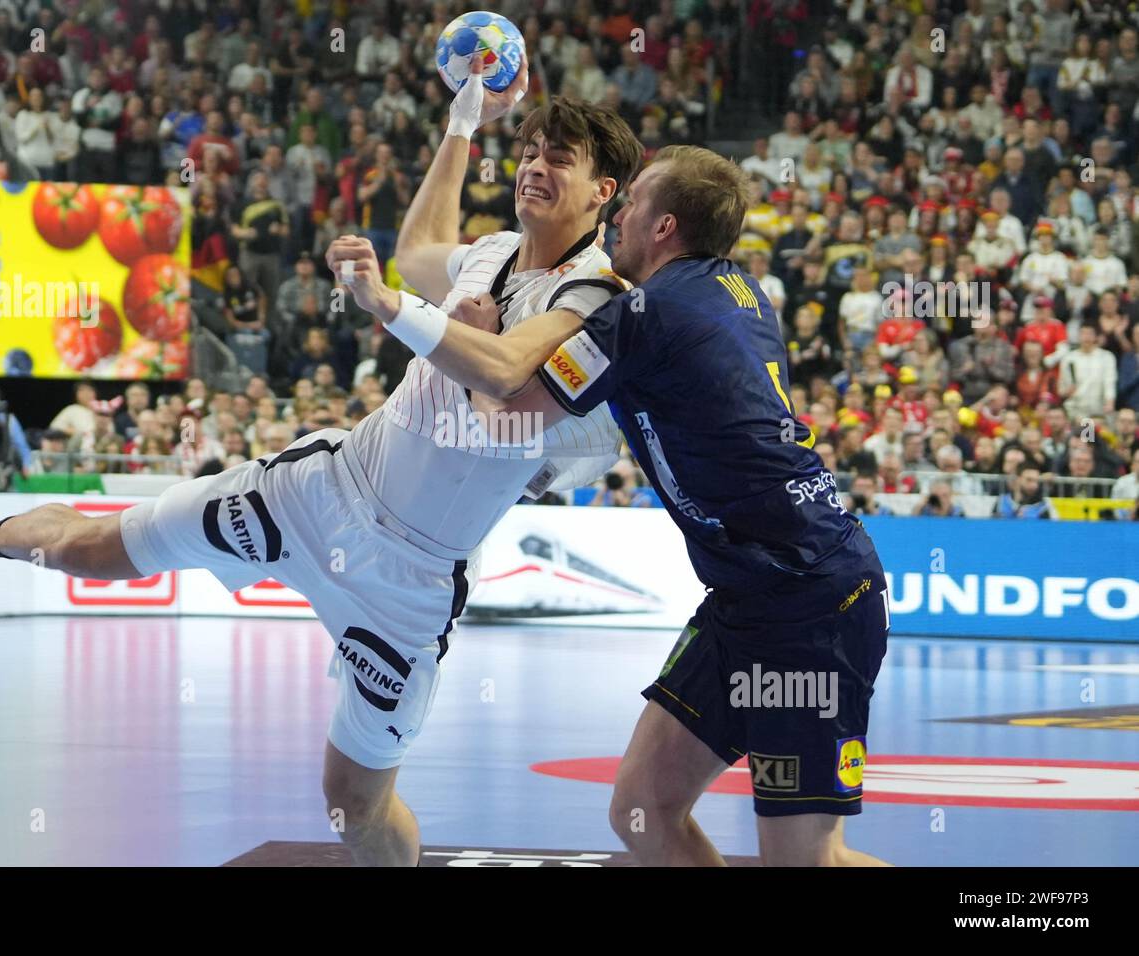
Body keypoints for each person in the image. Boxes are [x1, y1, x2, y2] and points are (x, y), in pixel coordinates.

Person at [0, 55, 643, 869]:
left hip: (408, 587)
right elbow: (415, 250)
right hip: (317, 492)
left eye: (559, 159)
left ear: (603, 192)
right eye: (529, 152)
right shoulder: (490, 252)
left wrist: (389, 306)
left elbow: (504, 371)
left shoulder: (595, 297)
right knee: (92, 549)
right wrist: (462, 125)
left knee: (353, 807)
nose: (534, 168)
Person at [328, 144, 889, 866]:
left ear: (664, 227)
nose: (616, 216)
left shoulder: (643, 316)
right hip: (743, 600)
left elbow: (504, 413)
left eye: (631, 205)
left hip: (810, 605)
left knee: (806, 861)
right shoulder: (737, 288)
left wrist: (475, 327)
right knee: (640, 810)